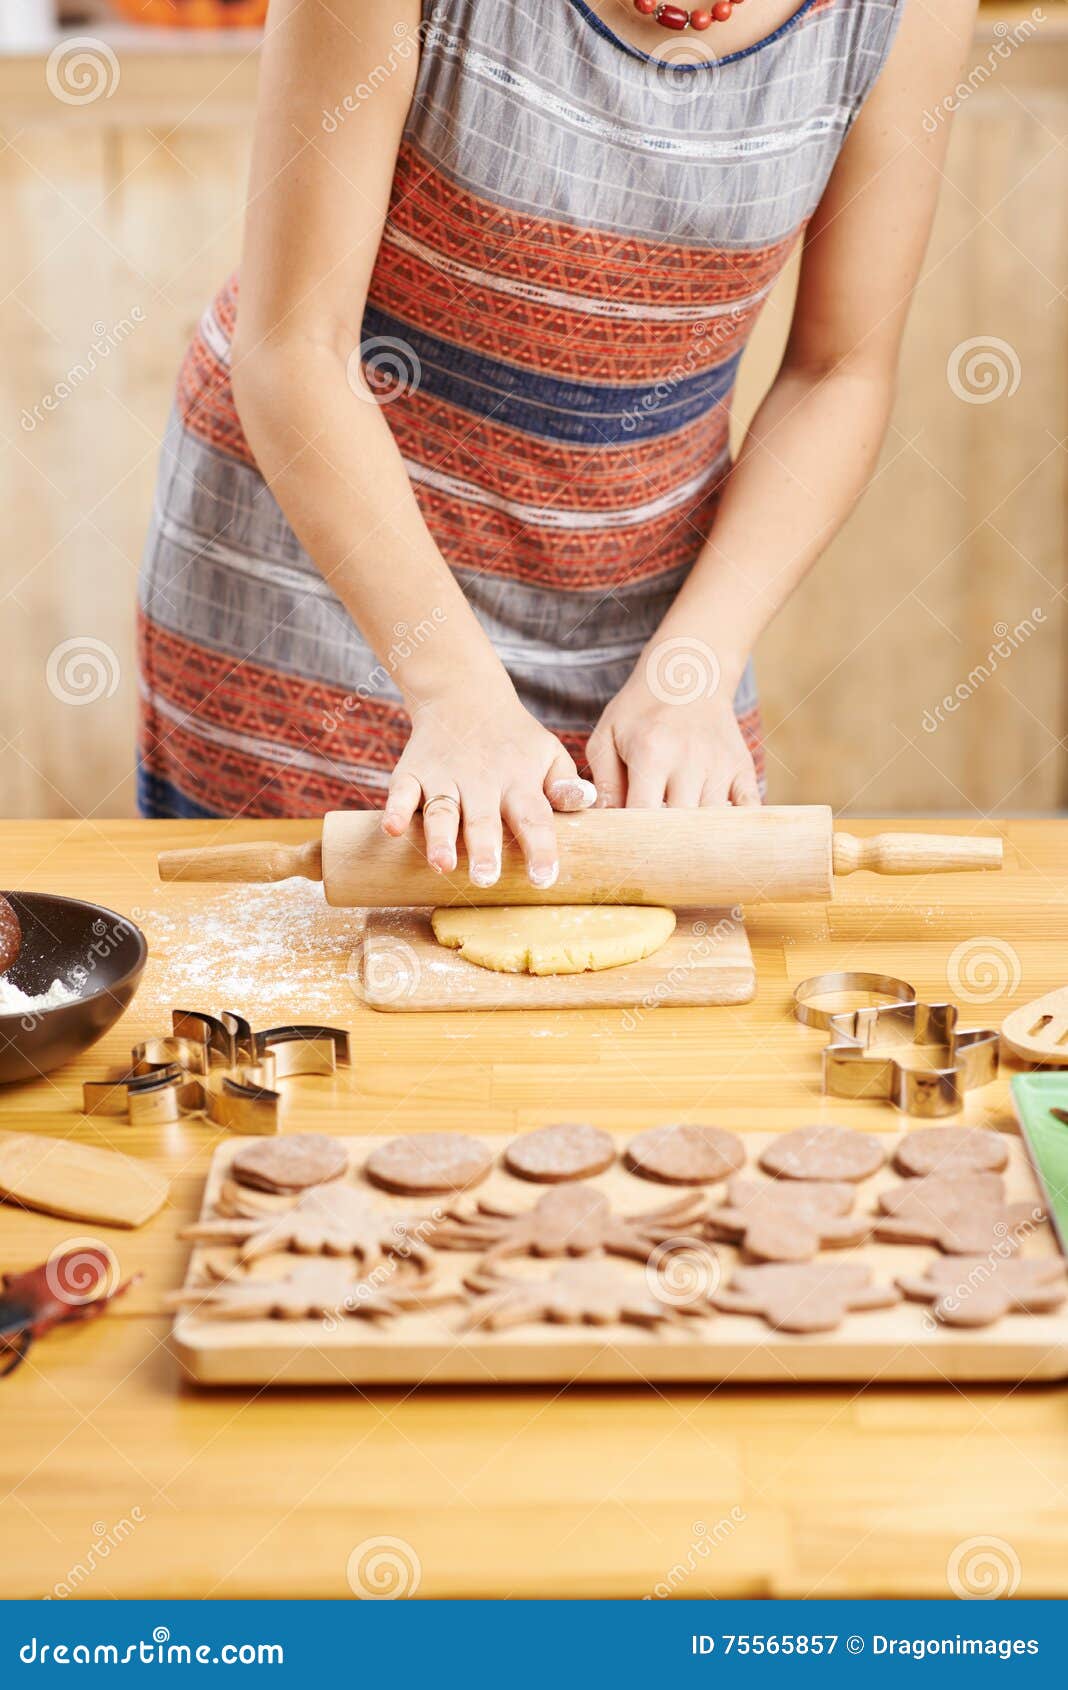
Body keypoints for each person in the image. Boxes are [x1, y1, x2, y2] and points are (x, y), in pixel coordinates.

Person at [139, 0, 976, 889]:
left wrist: (695, 666)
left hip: (653, 611)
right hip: (326, 590)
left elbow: (837, 371)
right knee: (308, 988)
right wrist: (453, 691)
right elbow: (296, 349)